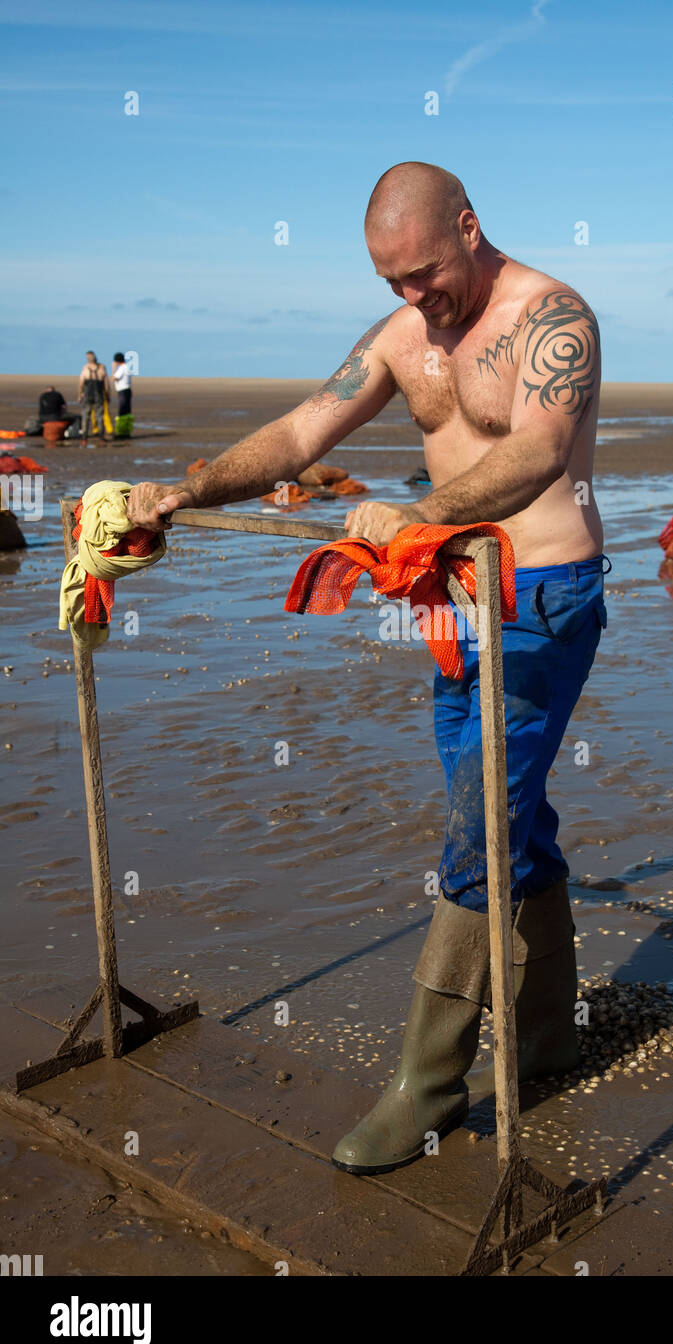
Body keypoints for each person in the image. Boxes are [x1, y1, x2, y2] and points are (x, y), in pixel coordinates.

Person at [127, 161, 607, 1176]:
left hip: (541, 603)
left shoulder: (551, 317)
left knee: (478, 825)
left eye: (423, 273)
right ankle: (549, 1032)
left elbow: (537, 450)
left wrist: (424, 512)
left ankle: (424, 1089)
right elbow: (305, 429)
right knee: (505, 808)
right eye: (390, 280)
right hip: (454, 603)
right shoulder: (399, 338)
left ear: (469, 228)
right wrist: (187, 486)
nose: (410, 297)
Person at [78, 351, 108, 442]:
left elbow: (81, 384)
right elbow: (106, 385)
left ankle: (84, 436)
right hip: (98, 395)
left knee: (86, 415)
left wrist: (79, 395)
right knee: (99, 415)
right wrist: (107, 395)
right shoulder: (101, 369)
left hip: (88, 395)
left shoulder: (85, 369)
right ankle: (101, 436)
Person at [112, 352, 133, 418]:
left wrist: (114, 368)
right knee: (127, 409)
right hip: (127, 390)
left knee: (122, 409)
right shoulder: (126, 367)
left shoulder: (122, 368)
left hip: (123, 391)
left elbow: (115, 378)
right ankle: (126, 423)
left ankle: (122, 424)